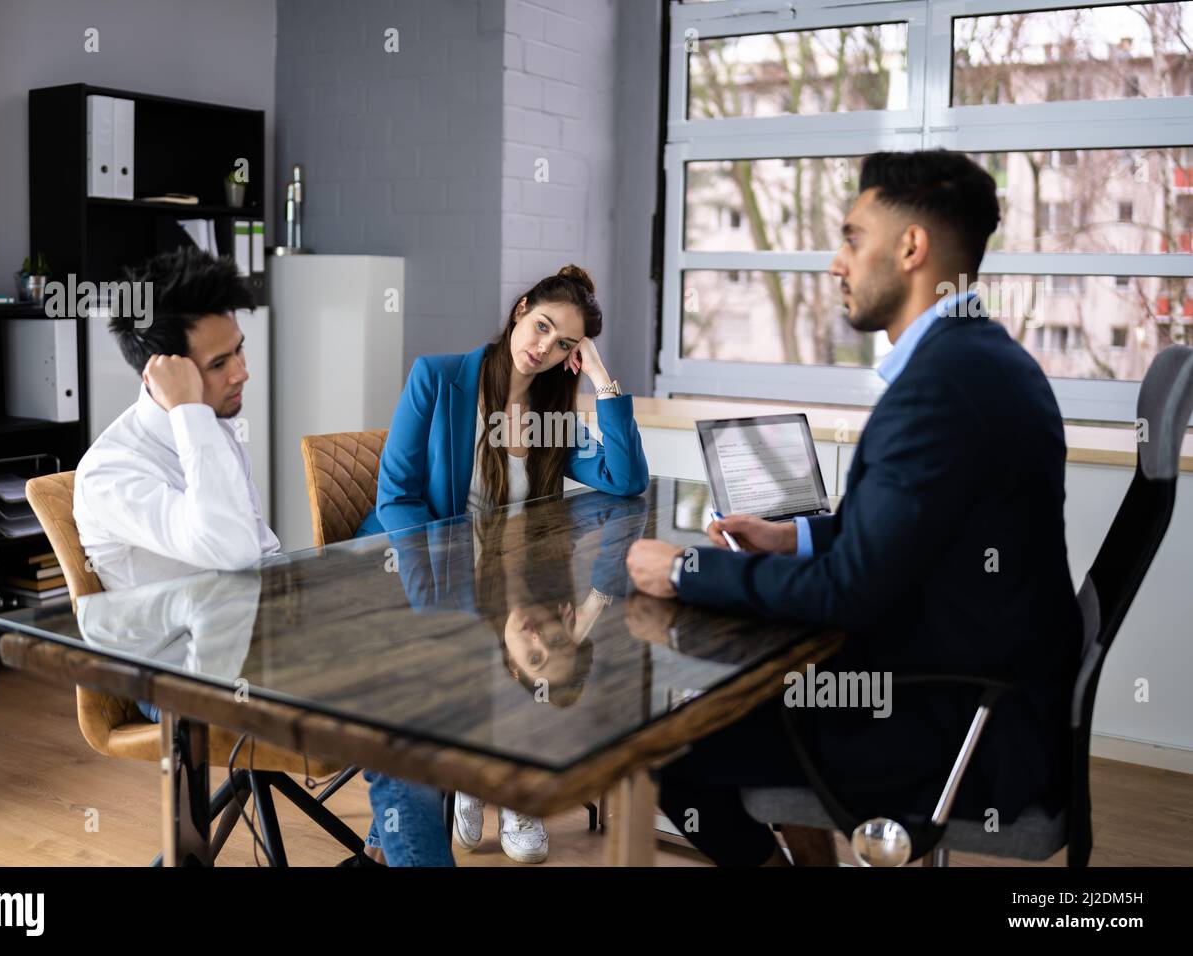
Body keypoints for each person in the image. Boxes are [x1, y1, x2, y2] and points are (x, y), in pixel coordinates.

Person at [625, 150, 1081, 866]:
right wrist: (791, 539)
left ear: (911, 248)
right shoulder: (987, 361)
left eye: (851, 237)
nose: (837, 263)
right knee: (736, 707)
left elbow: (848, 593)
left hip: (951, 725)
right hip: (985, 698)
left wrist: (684, 568)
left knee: (670, 751)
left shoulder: (940, 387)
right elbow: (917, 535)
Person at [356, 264, 650, 866]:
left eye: (565, 343)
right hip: (419, 577)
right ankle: (480, 783)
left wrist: (600, 378)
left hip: (510, 583)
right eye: (542, 327)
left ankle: (486, 781)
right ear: (521, 310)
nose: (545, 349)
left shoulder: (552, 411)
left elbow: (627, 480)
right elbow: (397, 497)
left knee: (555, 654)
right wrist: (429, 602)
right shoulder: (438, 379)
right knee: (509, 652)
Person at [74, 247, 278, 722]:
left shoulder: (211, 430)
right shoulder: (112, 472)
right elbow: (232, 552)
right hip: (185, 677)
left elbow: (260, 554)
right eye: (219, 363)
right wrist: (188, 412)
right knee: (383, 699)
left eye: (240, 349)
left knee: (417, 650)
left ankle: (464, 794)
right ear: (166, 373)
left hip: (255, 640)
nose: (242, 371)